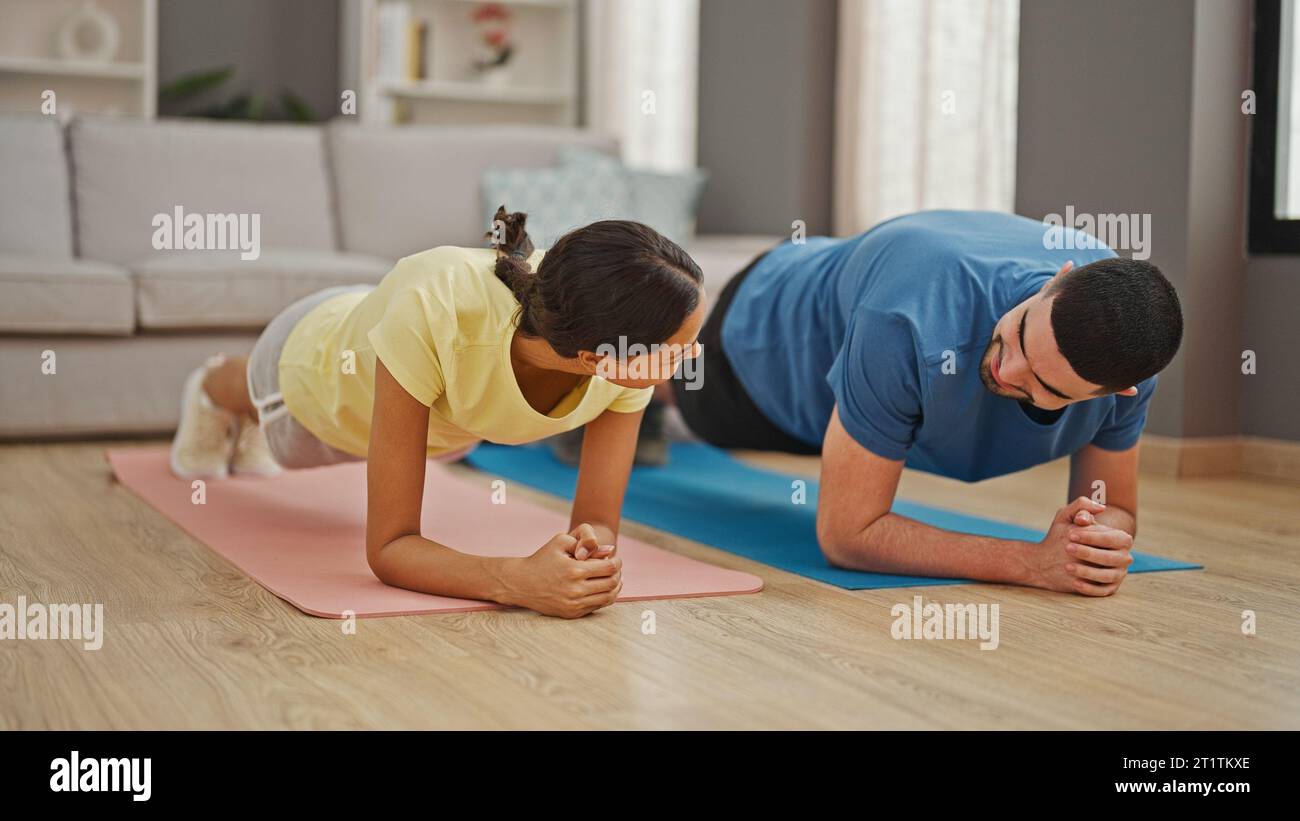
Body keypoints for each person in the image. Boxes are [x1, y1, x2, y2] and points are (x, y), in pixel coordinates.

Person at [169, 209, 705, 618]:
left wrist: (587, 559)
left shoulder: (616, 355)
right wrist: (517, 580)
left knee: (439, 412)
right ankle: (209, 389)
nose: (693, 358)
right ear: (595, 357)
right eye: (679, 349)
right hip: (316, 373)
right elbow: (390, 548)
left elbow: (597, 524)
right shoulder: (438, 307)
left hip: (421, 370)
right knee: (269, 421)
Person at [663, 209, 1183, 597]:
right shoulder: (907, 318)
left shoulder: (1127, 357)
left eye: (1045, 383)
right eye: (1021, 332)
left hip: (869, 336)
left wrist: (1096, 543)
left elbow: (1115, 508)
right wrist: (1031, 563)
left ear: (1118, 394)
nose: (1008, 369)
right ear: (1058, 279)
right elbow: (848, 535)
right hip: (772, 331)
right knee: (675, 388)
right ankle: (608, 392)